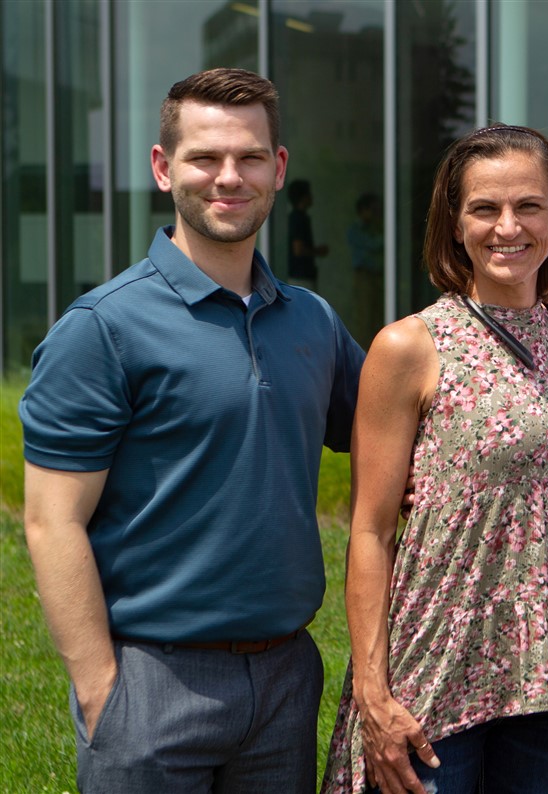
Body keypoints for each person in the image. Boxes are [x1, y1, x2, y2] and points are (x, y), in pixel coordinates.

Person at [19, 68, 363, 793]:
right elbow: (52, 522)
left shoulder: (313, 322)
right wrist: (100, 688)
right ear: (162, 166)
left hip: (286, 678)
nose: (228, 177)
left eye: (249, 157)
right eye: (205, 157)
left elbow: (406, 430)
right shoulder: (103, 328)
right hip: (150, 679)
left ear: (279, 167)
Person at [321, 124, 548, 794]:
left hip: (546, 679)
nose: (509, 227)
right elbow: (370, 529)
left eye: (529, 206)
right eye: (485, 208)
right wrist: (372, 689)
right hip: (435, 675)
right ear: (454, 224)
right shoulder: (409, 347)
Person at [347, 191, 385, 346]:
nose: (375, 214)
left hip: (377, 275)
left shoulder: (374, 227)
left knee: (378, 314)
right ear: (363, 210)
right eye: (372, 210)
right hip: (364, 275)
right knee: (365, 315)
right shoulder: (355, 230)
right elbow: (373, 244)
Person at [288, 178, 329, 290]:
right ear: (303, 197)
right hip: (300, 277)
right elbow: (298, 249)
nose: (312, 197)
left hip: (300, 276)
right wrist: (318, 251)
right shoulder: (298, 219)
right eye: (309, 194)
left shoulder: (298, 217)